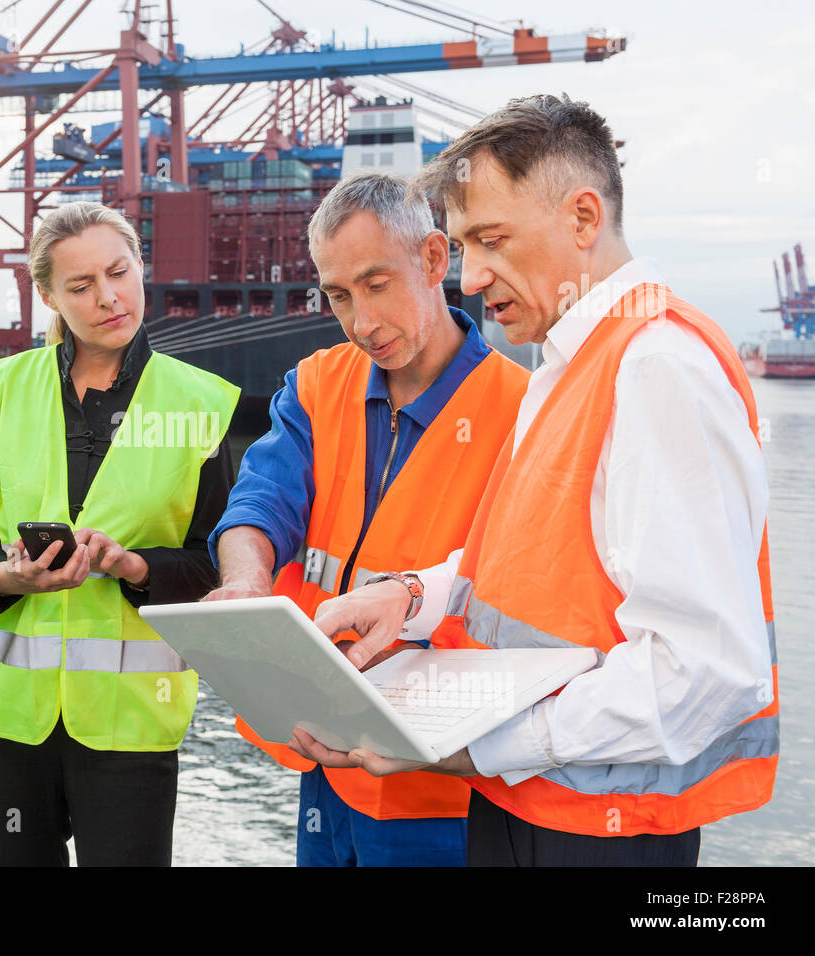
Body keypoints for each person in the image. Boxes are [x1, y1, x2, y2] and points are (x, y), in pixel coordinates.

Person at [289, 94, 778, 867]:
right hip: (534, 805)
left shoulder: (658, 369)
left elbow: (702, 672)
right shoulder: (570, 365)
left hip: (600, 829)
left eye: (492, 240)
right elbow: (532, 568)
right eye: (463, 245)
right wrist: (414, 597)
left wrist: (473, 747)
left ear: (583, 219)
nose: (473, 278)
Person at [204, 171, 529, 866]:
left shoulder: (523, 413)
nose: (360, 322)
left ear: (436, 260)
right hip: (326, 754)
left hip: (442, 784)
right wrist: (244, 584)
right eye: (339, 296)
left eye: (376, 285)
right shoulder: (317, 384)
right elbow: (258, 505)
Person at [0, 201, 239, 867]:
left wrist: (136, 568)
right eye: (80, 286)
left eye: (120, 271)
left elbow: (214, 564)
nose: (109, 297)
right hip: (4, 718)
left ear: (142, 267)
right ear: (47, 294)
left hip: (130, 719)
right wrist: (8, 576)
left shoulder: (199, 406)